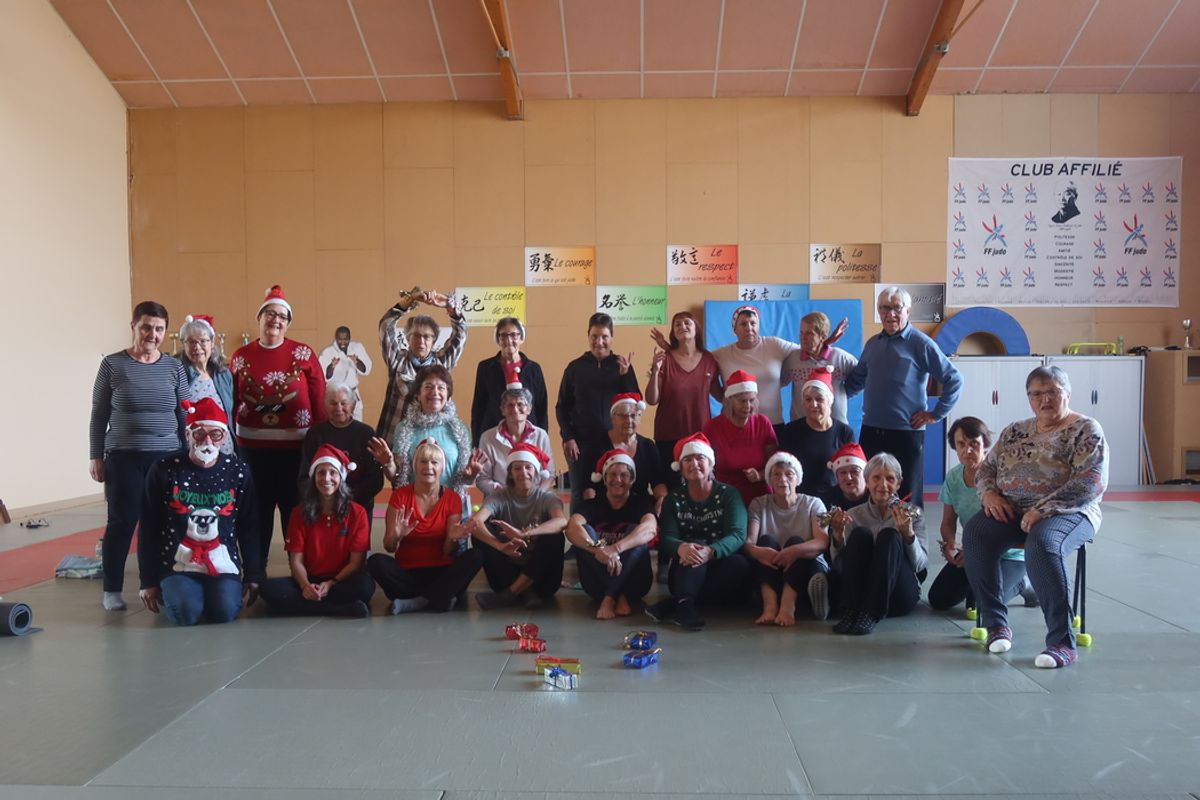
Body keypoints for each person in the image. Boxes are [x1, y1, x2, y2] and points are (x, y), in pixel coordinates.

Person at [964, 365, 1107, 669]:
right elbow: (986, 469)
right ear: (1029, 398)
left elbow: (1090, 481)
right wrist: (989, 495)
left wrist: (1043, 509)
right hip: (1014, 509)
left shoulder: (1086, 429)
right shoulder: (1015, 430)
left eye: (1052, 392)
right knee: (977, 533)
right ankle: (996, 624)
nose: (1045, 399)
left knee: (1042, 543)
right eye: (1037, 394)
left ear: (1067, 393)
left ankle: (1061, 642)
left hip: (1071, 511)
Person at [90, 300, 189, 611]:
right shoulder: (112, 364)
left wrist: (188, 456)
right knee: (122, 522)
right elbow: (99, 413)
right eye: (146, 327)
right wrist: (96, 455)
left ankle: (163, 581)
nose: (153, 334)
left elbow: (184, 413)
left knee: (166, 523)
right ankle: (112, 590)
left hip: (168, 457)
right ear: (134, 326)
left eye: (159, 329)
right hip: (124, 456)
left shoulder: (174, 367)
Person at [137, 398, 261, 626]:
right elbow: (149, 527)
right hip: (177, 563)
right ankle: (181, 594)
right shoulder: (164, 469)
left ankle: (210, 594)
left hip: (221, 562)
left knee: (223, 611)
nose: (207, 441)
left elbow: (249, 526)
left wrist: (253, 575)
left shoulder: (237, 471)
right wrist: (148, 580)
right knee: (187, 612)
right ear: (188, 435)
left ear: (224, 437)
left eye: (215, 435)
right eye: (199, 433)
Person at [230, 285, 326, 564]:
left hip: (296, 451)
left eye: (282, 316)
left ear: (288, 323)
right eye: (270, 314)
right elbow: (233, 399)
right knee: (254, 512)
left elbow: (319, 398)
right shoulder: (241, 356)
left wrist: (318, 444)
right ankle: (253, 575)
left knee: (295, 512)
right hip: (251, 451)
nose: (275, 320)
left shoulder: (304, 354)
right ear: (259, 318)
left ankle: (302, 573)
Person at [842, 286, 962, 508]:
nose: (890, 314)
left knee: (908, 495)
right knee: (869, 491)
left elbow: (954, 379)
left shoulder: (921, 344)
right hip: (871, 431)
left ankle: (911, 542)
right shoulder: (873, 344)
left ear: (908, 310)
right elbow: (855, 382)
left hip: (906, 434)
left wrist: (936, 414)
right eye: (884, 308)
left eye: (896, 308)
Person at [928, 416, 1037, 612]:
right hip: (974, 551)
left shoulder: (1001, 477)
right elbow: (948, 523)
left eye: (974, 444)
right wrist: (950, 545)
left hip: (1009, 554)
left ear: (985, 444)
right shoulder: (953, 477)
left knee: (980, 605)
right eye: (961, 444)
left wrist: (970, 553)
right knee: (938, 599)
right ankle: (977, 585)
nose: (967, 450)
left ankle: (1022, 583)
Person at [646, 433, 750, 631]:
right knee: (695, 542)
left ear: (711, 464)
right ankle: (685, 606)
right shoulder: (673, 499)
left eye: (700, 458)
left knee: (740, 564)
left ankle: (678, 603)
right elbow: (666, 537)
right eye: (687, 460)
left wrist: (709, 552)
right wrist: (681, 547)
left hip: (721, 567)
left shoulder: (729, 494)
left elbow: (738, 534)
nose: (694, 464)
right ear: (681, 468)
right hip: (685, 568)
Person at [367, 439, 483, 613]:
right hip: (408, 573)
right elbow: (389, 547)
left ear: (442, 468)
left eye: (434, 462)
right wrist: (397, 535)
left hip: (441, 573)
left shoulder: (452, 498)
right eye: (423, 461)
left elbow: (447, 552)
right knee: (376, 562)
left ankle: (417, 601)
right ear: (415, 466)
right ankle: (437, 598)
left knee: (476, 555)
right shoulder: (400, 496)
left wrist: (451, 537)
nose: (428, 467)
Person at [259, 445, 375, 618]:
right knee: (268, 589)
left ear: (341, 477)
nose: (326, 478)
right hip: (309, 578)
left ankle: (304, 606)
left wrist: (330, 583)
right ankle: (340, 610)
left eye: (332, 472)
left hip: (340, 581)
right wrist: (306, 586)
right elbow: (296, 560)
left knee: (365, 586)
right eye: (321, 473)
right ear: (313, 477)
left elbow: (356, 563)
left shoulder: (357, 513)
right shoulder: (299, 512)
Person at [827, 453, 928, 636]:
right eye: (876, 478)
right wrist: (838, 538)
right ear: (867, 481)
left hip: (898, 595)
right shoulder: (853, 514)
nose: (883, 485)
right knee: (860, 534)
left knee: (890, 536)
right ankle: (851, 610)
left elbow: (920, 566)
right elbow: (840, 567)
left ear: (899, 483)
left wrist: (908, 534)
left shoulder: (913, 514)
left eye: (890, 479)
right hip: (861, 594)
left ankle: (871, 613)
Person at [467, 444, 567, 610]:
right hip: (505, 576)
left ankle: (511, 594)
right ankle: (524, 591)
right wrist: (500, 546)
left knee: (555, 537)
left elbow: (562, 521)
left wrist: (524, 533)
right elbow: (475, 522)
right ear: (511, 473)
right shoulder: (499, 496)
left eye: (528, 467)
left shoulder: (548, 498)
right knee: (479, 535)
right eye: (517, 468)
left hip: (542, 581)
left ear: (536, 471)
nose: (523, 473)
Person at [556, 313, 639, 506]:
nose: (599, 342)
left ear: (612, 338)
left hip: (614, 442)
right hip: (580, 444)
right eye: (594, 336)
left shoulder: (622, 365)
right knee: (580, 493)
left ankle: (610, 534)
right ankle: (581, 535)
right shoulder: (574, 368)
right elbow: (562, 407)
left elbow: (635, 404)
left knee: (611, 492)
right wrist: (568, 437)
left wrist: (625, 376)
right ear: (588, 336)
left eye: (604, 337)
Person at [565, 450, 657, 619]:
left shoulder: (641, 504)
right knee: (587, 533)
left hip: (635, 586)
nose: (618, 480)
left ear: (632, 479)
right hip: (596, 586)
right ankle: (617, 596)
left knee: (636, 533)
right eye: (612, 474)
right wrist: (597, 550)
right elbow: (571, 528)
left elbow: (650, 528)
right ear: (604, 478)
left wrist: (615, 549)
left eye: (624, 475)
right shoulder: (591, 505)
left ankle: (610, 598)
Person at [745, 452, 831, 625]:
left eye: (789, 474)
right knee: (766, 541)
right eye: (776, 474)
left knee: (797, 542)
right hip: (771, 566)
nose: (782, 479)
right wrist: (760, 552)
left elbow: (822, 541)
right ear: (769, 480)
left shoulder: (815, 503)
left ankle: (787, 606)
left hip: (803, 567)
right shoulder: (758, 504)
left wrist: (795, 551)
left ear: (798, 479)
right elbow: (749, 544)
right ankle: (769, 606)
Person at [377, 288, 467, 445]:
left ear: (434, 340)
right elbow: (385, 325)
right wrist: (409, 300)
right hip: (394, 444)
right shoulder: (398, 361)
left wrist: (449, 305)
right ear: (407, 338)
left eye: (427, 337)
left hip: (431, 446)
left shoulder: (441, 364)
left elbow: (460, 335)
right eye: (416, 336)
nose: (421, 341)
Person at [646, 311, 721, 472]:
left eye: (687, 322)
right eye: (677, 324)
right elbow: (652, 400)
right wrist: (654, 371)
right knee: (672, 485)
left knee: (701, 484)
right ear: (673, 332)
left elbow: (720, 395)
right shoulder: (664, 358)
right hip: (668, 436)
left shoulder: (709, 359)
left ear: (696, 329)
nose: (683, 326)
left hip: (700, 435)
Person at [389, 365, 482, 492]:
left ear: (448, 395)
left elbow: (465, 479)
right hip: (415, 506)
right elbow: (397, 478)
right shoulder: (404, 428)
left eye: (441, 388)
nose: (435, 392)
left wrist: (471, 475)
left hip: (452, 506)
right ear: (417, 394)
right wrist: (387, 464)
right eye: (428, 387)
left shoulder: (461, 429)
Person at [711, 305, 801, 425]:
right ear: (734, 329)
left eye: (753, 323)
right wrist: (725, 400)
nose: (749, 328)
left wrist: (824, 342)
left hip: (773, 424)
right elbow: (701, 366)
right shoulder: (721, 354)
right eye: (743, 324)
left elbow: (806, 351)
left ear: (758, 326)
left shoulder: (774, 345)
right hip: (735, 425)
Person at [579, 393, 666, 512]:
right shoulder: (596, 446)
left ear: (639, 418)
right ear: (612, 418)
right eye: (623, 416)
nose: (629, 421)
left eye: (634, 416)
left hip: (639, 506)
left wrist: (662, 500)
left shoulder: (647, 446)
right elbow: (588, 488)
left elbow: (658, 483)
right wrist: (591, 513)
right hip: (605, 507)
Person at [776, 367, 855, 499]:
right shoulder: (790, 431)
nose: (813, 404)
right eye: (808, 399)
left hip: (834, 501)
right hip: (798, 500)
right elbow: (781, 469)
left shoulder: (844, 432)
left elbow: (852, 473)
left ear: (830, 401)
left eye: (819, 399)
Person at [702, 370, 778, 507]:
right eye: (743, 401)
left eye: (751, 400)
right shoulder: (712, 427)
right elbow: (705, 466)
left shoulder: (763, 423)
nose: (748, 406)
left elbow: (774, 462)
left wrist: (759, 475)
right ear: (730, 401)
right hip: (725, 496)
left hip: (760, 494)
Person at [470, 317, 548, 445]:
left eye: (514, 335)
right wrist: (476, 443)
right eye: (503, 335)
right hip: (493, 437)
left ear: (521, 338)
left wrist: (542, 440)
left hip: (528, 437)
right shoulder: (485, 367)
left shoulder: (534, 369)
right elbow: (478, 407)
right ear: (498, 339)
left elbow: (541, 408)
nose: (508, 340)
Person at [475, 387, 555, 497]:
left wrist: (537, 495)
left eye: (520, 404)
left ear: (529, 409)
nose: (515, 409)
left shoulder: (541, 436)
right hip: (500, 499)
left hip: (535, 498)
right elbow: (482, 478)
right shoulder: (488, 437)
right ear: (503, 410)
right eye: (510, 405)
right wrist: (503, 494)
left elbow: (550, 474)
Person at [782, 311, 857, 425]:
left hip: (835, 428)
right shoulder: (793, 359)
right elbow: (777, 382)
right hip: (801, 428)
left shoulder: (841, 358)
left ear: (823, 336)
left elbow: (861, 379)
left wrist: (844, 393)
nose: (802, 337)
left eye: (809, 333)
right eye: (801, 333)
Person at [179, 314, 235, 455]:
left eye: (203, 341)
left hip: (223, 447)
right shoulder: (177, 374)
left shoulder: (223, 374)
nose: (197, 347)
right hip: (193, 449)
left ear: (212, 342)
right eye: (191, 342)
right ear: (183, 345)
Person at [318, 326, 373, 422]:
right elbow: (324, 376)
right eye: (340, 339)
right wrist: (332, 366)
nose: (343, 342)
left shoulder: (357, 347)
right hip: (336, 395)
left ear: (349, 338)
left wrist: (357, 362)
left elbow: (366, 370)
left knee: (357, 425)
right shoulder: (327, 352)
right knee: (337, 424)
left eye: (345, 339)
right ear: (336, 338)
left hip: (352, 393)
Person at [821, 443, 870, 511]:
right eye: (843, 472)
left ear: (865, 474)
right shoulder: (826, 501)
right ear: (837, 477)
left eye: (854, 471)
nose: (848, 477)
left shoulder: (876, 496)